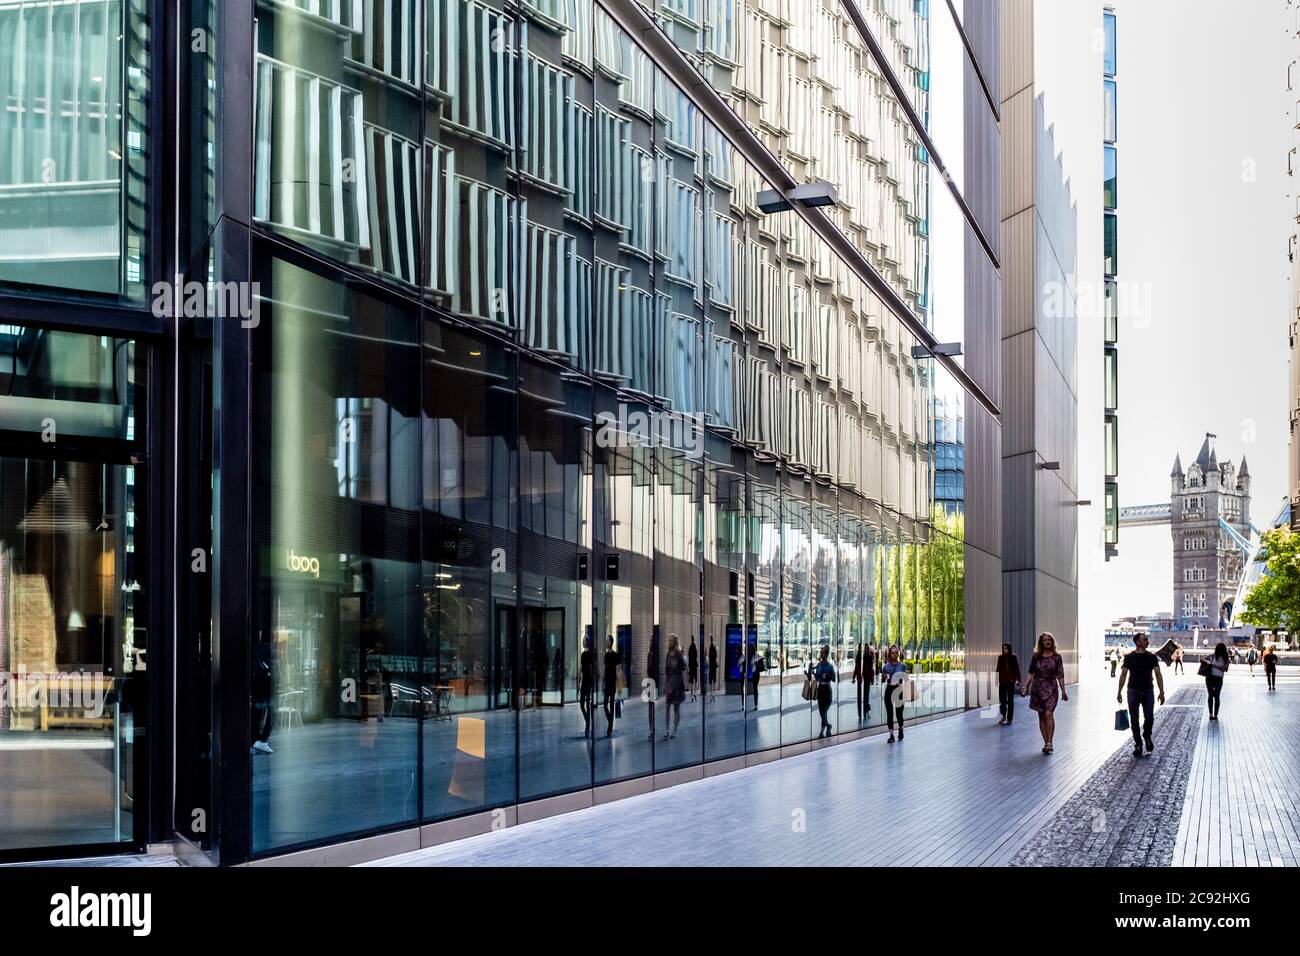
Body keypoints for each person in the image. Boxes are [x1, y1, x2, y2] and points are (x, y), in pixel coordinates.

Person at [1117, 632, 1165, 757]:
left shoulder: (1151, 657)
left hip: (1148, 690)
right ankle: (1138, 743)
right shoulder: (1129, 657)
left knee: (1149, 717)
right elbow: (1123, 674)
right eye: (1145, 639)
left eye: (1147, 639)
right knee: (1134, 719)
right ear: (1138, 642)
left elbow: (1158, 674)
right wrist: (1119, 691)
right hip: (1132, 691)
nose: (1147, 641)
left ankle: (1147, 736)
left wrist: (1161, 692)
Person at [1024, 632, 1067, 754]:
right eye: (1044, 640)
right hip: (1037, 689)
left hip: (1051, 689)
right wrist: (1025, 686)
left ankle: (1050, 742)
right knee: (1041, 715)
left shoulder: (1057, 657)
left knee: (1048, 713)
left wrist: (1063, 690)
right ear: (1041, 642)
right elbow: (1031, 672)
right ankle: (1046, 742)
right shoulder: (1036, 656)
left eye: (1049, 640)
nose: (1047, 642)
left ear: (1052, 642)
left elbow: (1060, 674)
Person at [880, 645, 909, 743]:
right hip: (889, 690)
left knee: (899, 714)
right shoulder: (885, 666)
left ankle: (900, 728)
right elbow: (883, 681)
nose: (895, 655)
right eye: (893, 653)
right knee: (889, 713)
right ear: (889, 654)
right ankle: (891, 735)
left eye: (896, 653)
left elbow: (906, 680)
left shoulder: (902, 666)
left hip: (899, 691)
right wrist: (883, 677)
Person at [662, 634, 687, 739]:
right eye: (669, 640)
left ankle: (675, 730)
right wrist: (665, 685)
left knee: (676, 708)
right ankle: (667, 730)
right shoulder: (668, 654)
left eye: (672, 640)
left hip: (677, 683)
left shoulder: (679, 655)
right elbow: (666, 671)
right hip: (669, 683)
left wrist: (685, 683)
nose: (670, 642)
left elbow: (684, 668)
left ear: (675, 642)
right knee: (667, 707)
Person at [812, 644, 837, 738]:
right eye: (820, 653)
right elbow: (818, 678)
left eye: (822, 653)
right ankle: (824, 730)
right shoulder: (818, 665)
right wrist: (812, 674)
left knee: (824, 712)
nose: (821, 655)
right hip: (820, 690)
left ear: (826, 654)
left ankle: (825, 729)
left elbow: (834, 679)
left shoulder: (830, 666)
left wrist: (828, 676)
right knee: (821, 711)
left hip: (827, 690)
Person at [1201, 641, 1230, 719]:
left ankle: (1215, 714)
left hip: (1218, 679)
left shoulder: (1226, 659)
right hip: (1210, 677)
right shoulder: (1212, 656)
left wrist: (1214, 665)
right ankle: (1211, 714)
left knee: (1216, 696)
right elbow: (1202, 659)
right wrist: (1208, 662)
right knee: (1211, 695)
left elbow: (1225, 669)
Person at [995, 643, 1021, 726]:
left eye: (1006, 648)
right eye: (1003, 648)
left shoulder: (1013, 657)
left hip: (1011, 682)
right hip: (1002, 682)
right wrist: (996, 679)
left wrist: (1018, 680)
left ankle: (1009, 719)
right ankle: (1003, 715)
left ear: (1009, 649)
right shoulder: (1000, 658)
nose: (1004, 650)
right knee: (1002, 701)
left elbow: (1017, 669)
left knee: (1010, 701)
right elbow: (998, 669)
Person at [852, 641, 876, 721]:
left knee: (866, 696)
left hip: (867, 679)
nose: (864, 650)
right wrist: (854, 677)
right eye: (862, 648)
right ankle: (860, 713)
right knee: (859, 697)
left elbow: (872, 669)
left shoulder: (869, 657)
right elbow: (856, 668)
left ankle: (866, 710)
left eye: (865, 648)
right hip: (860, 679)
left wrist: (872, 679)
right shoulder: (858, 657)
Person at [602, 636, 621, 736]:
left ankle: (609, 728)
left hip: (613, 682)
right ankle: (610, 721)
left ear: (611, 642)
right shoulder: (606, 655)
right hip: (607, 682)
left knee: (611, 705)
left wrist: (619, 685)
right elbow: (605, 670)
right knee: (605, 705)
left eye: (607, 641)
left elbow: (618, 670)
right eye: (606, 641)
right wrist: (603, 683)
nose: (606, 642)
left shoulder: (615, 655)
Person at [578, 635, 595, 737]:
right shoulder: (582, 654)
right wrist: (579, 681)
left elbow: (592, 669)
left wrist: (592, 684)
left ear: (586, 642)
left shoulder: (590, 654)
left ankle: (587, 727)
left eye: (583, 640)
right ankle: (588, 721)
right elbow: (581, 669)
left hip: (588, 682)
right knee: (581, 704)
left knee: (587, 704)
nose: (582, 642)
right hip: (584, 681)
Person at [646, 644, 659, 741]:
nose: (651, 642)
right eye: (650, 640)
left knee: (652, 706)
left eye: (652, 640)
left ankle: (653, 728)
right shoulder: (649, 654)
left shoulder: (655, 654)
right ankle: (650, 728)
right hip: (649, 681)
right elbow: (648, 669)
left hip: (654, 681)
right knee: (650, 706)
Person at [687, 635, 699, 702]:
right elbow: (696, 658)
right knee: (695, 681)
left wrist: (689, 667)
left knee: (691, 682)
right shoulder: (695, 648)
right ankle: (694, 693)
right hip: (695, 667)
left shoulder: (690, 648)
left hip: (691, 667)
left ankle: (691, 695)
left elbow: (689, 658)